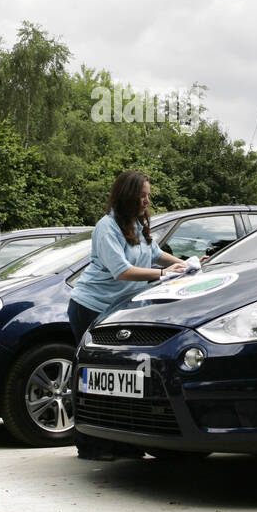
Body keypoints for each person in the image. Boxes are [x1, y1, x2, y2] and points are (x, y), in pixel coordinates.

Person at [68, 169, 189, 460]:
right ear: (127, 196)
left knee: (122, 379)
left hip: (117, 313)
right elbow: (121, 271)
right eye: (142, 195)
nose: (147, 201)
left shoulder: (136, 224)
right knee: (94, 377)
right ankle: (89, 443)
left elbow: (158, 254)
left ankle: (121, 441)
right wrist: (162, 275)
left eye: (148, 195)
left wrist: (189, 265)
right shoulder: (106, 227)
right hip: (90, 308)